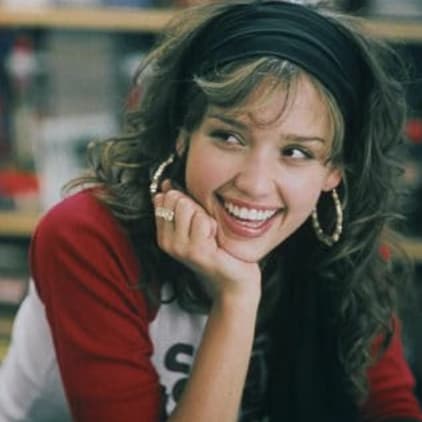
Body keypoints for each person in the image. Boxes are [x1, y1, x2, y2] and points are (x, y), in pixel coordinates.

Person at [0, 0, 421, 421]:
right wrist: (237, 297)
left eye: (296, 152)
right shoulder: (87, 236)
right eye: (230, 137)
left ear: (334, 171)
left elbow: (388, 405)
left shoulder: (346, 246)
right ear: (182, 134)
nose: (255, 183)